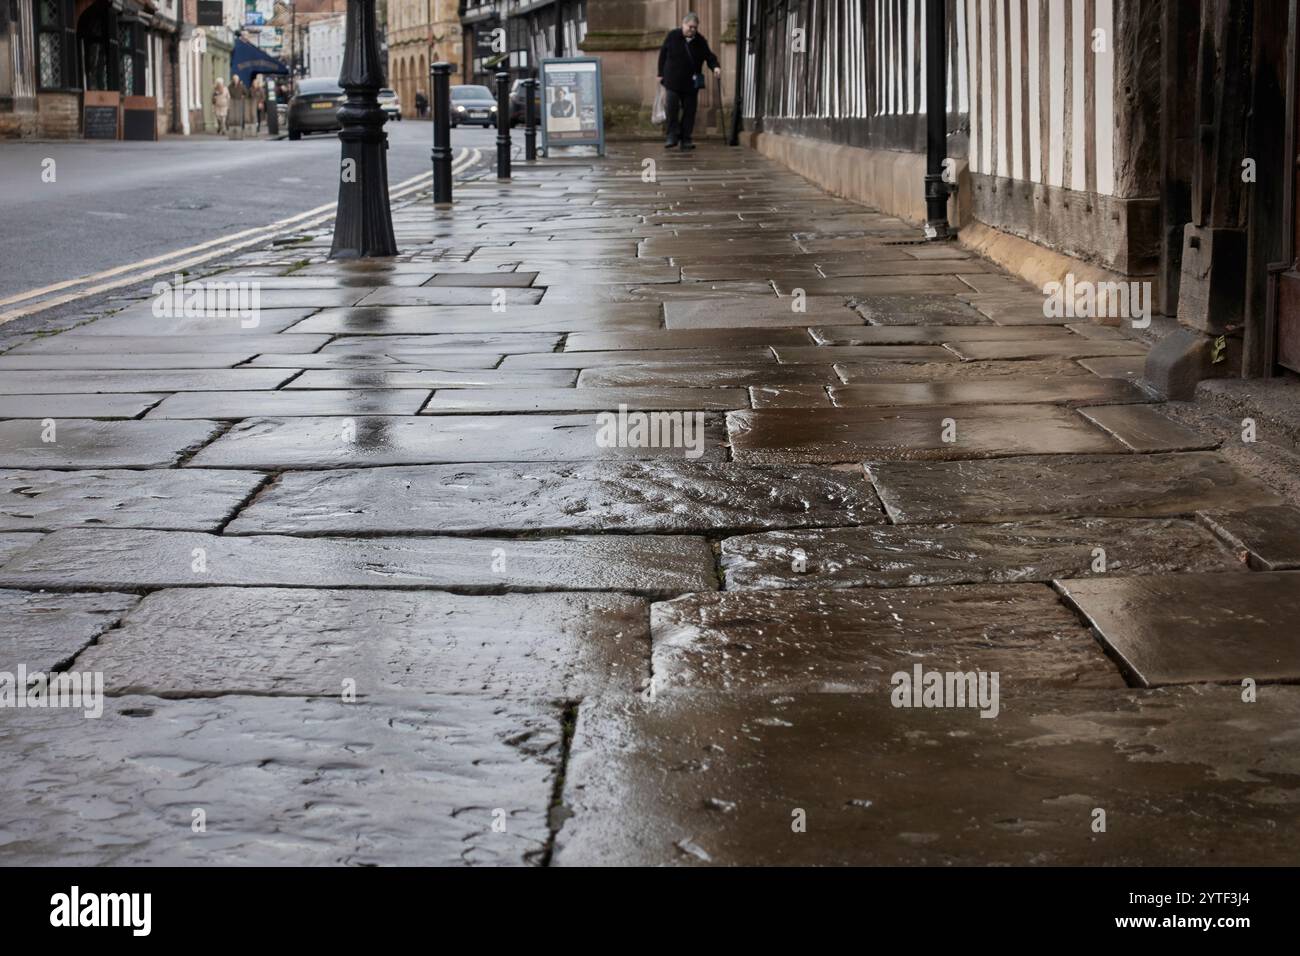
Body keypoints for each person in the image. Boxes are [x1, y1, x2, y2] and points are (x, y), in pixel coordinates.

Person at [656, 12, 720, 150]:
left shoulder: (700, 40)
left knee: (690, 111)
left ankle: (686, 138)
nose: (692, 30)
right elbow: (663, 55)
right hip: (672, 80)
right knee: (671, 108)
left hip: (691, 83)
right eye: (690, 27)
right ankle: (672, 135)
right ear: (683, 24)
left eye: (695, 28)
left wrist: (715, 67)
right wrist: (660, 73)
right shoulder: (673, 36)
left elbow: (709, 56)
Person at [227, 75, 247, 140]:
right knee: (233, 116)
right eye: (234, 79)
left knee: (240, 116)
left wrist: (243, 96)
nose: (235, 80)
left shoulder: (241, 86)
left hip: (240, 103)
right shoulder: (230, 86)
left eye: (236, 79)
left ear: (238, 80)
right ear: (232, 80)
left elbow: (246, 93)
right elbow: (228, 93)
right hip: (232, 103)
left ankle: (241, 129)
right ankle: (233, 130)